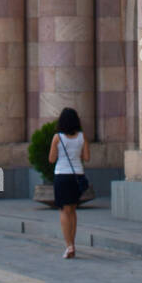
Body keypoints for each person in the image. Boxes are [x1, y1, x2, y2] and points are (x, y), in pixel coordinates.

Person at [48, 107, 90, 259]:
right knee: (72, 210)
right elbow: (86, 157)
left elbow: (51, 159)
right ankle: (72, 243)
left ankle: (69, 245)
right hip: (77, 175)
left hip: (62, 175)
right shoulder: (82, 137)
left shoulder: (57, 138)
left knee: (63, 211)